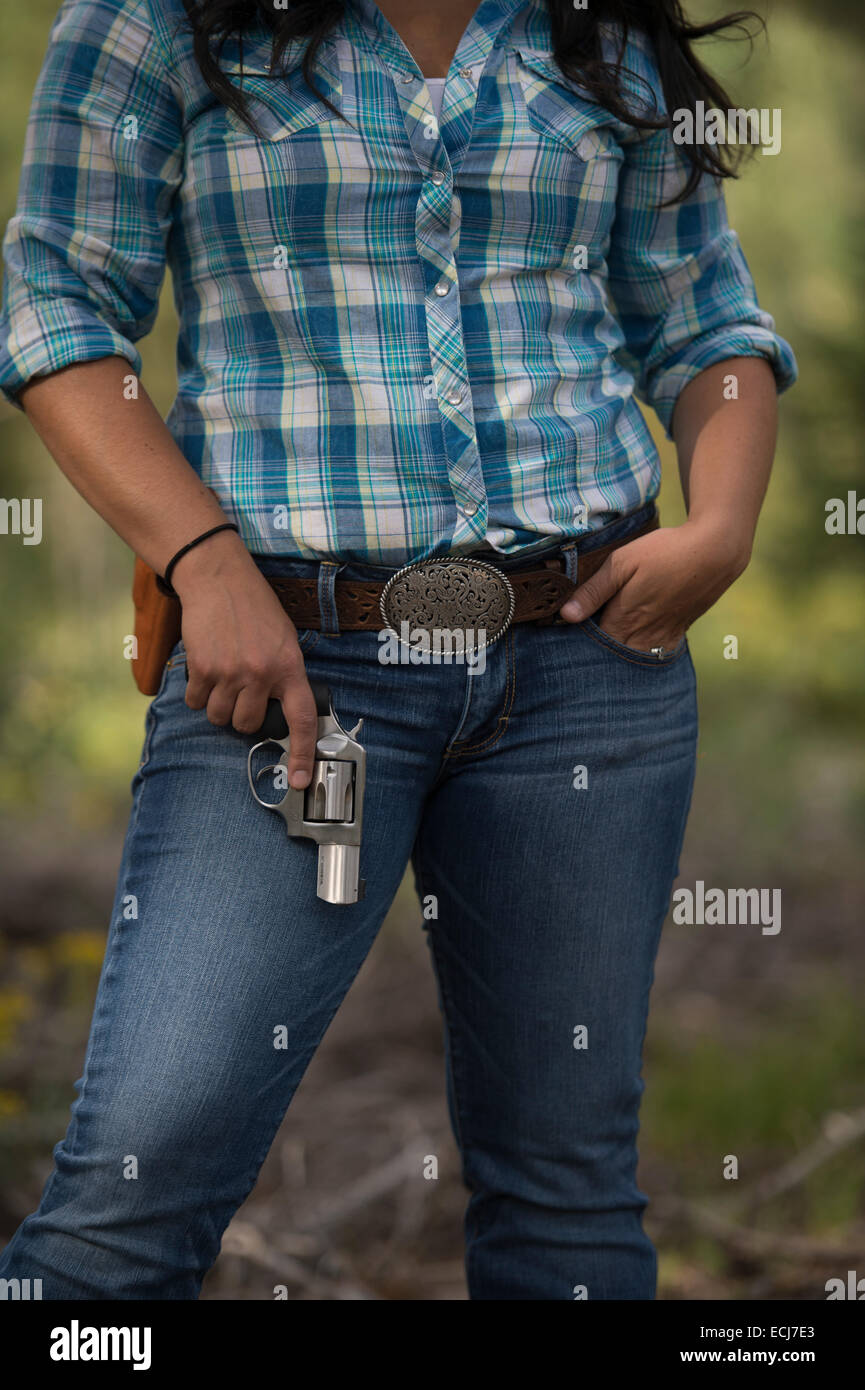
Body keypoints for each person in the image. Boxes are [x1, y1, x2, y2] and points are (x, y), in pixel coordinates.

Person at [0, 0, 796, 1299]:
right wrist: (203, 561)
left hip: (589, 665)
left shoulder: (596, 33)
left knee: (568, 1199)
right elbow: (56, 308)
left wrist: (724, 524)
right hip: (288, 680)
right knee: (127, 1206)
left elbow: (702, 316)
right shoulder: (159, 24)